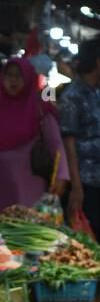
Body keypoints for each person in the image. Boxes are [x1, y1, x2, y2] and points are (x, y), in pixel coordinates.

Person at [0, 58, 68, 213]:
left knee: (22, 228)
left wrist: (61, 175)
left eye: (19, 76)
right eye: (9, 75)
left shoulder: (40, 108)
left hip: (26, 187)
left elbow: (55, 143)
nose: (13, 80)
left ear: (28, 78)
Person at [59, 38, 100, 231]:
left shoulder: (96, 92)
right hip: (85, 182)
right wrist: (76, 188)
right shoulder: (72, 96)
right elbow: (69, 145)